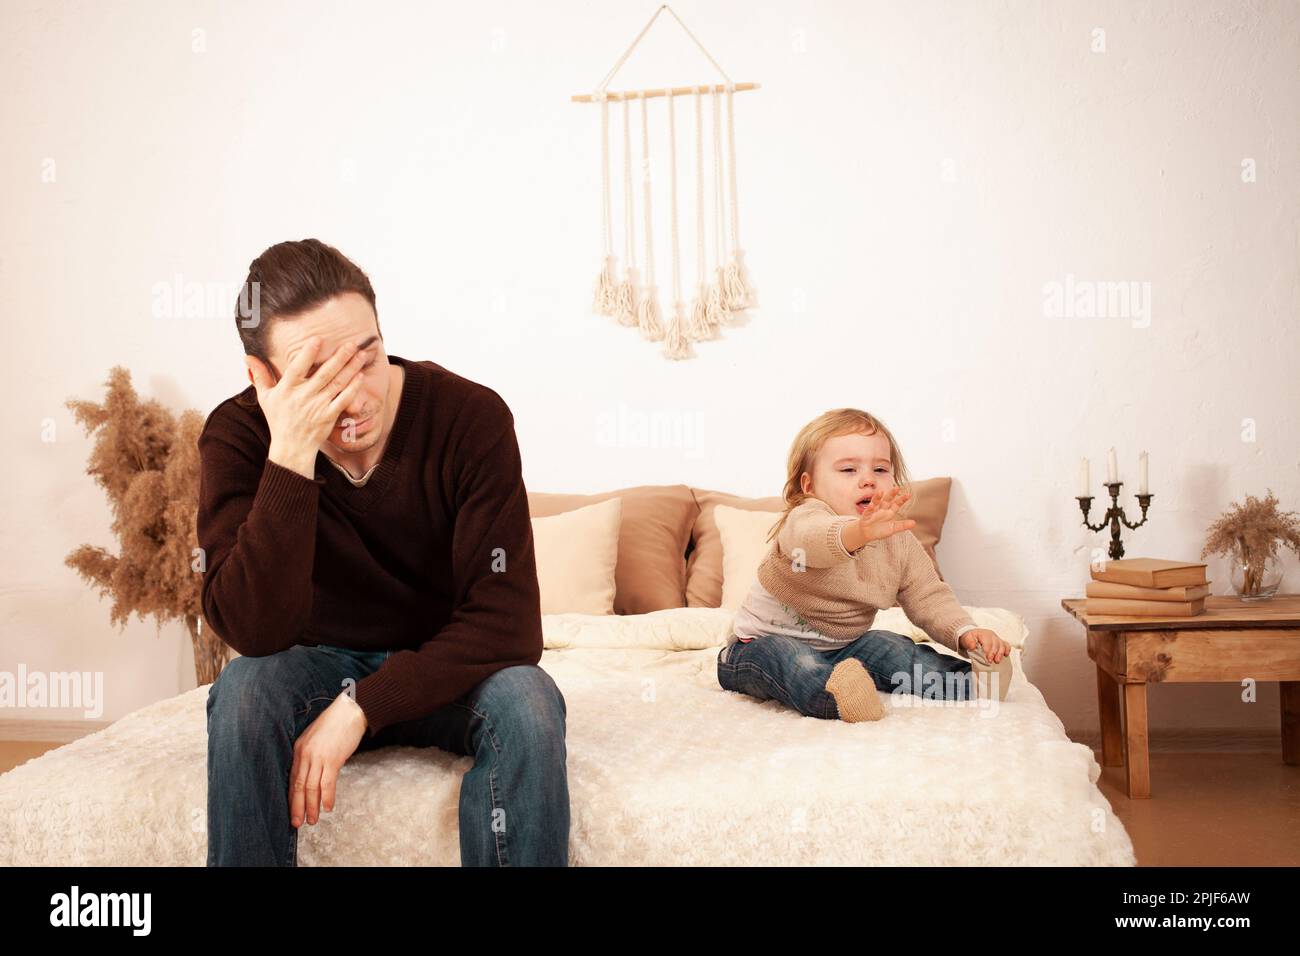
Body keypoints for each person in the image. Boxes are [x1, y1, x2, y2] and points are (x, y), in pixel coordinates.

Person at [199, 238, 568, 866]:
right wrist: (288, 454)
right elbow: (255, 631)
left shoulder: (471, 418)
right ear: (261, 377)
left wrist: (363, 706)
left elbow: (507, 623)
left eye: (364, 359)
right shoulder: (236, 437)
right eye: (317, 378)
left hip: (448, 668)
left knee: (529, 701)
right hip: (312, 663)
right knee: (244, 691)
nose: (357, 398)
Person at [718, 407, 1014, 722]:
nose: (868, 481)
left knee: (892, 648)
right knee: (791, 661)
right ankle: (837, 698)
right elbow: (813, 542)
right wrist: (858, 533)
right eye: (848, 470)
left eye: (881, 470)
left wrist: (966, 632)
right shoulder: (806, 517)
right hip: (755, 648)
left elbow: (928, 596)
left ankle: (972, 682)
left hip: (845, 649)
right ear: (809, 486)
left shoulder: (897, 541)